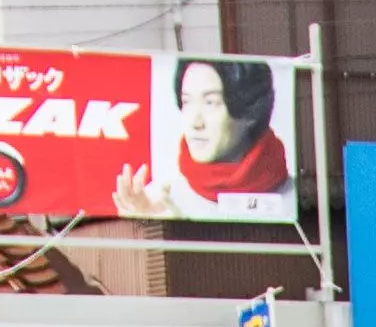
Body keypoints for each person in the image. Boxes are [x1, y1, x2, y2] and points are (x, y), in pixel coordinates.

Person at [118, 59, 289, 216]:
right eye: (187, 102)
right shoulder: (159, 201)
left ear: (250, 112)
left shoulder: (292, 201)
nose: (195, 122)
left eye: (210, 102)